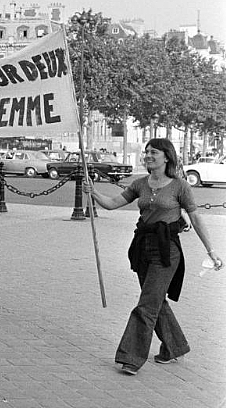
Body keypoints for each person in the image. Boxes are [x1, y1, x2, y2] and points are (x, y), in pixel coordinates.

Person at [83, 138, 222, 375]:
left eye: (153, 152)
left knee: (147, 304)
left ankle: (131, 357)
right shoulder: (140, 184)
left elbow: (196, 218)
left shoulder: (180, 186)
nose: (148, 155)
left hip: (167, 250)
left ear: (166, 157)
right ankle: (174, 347)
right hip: (142, 247)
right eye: (146, 152)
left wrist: (211, 250)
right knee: (155, 300)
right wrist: (93, 193)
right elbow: (112, 204)